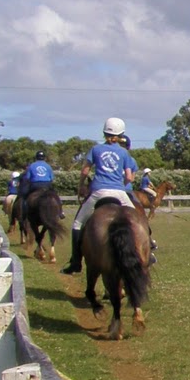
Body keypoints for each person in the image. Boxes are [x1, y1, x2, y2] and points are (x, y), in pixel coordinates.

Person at [62, 117, 139, 274]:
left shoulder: (96, 149)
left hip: (98, 192)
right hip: (119, 192)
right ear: (121, 134)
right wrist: (119, 185)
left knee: (77, 224)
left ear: (104, 132)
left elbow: (85, 171)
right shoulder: (124, 152)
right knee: (138, 220)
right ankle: (148, 247)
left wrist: (81, 185)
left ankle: (76, 261)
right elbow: (130, 178)